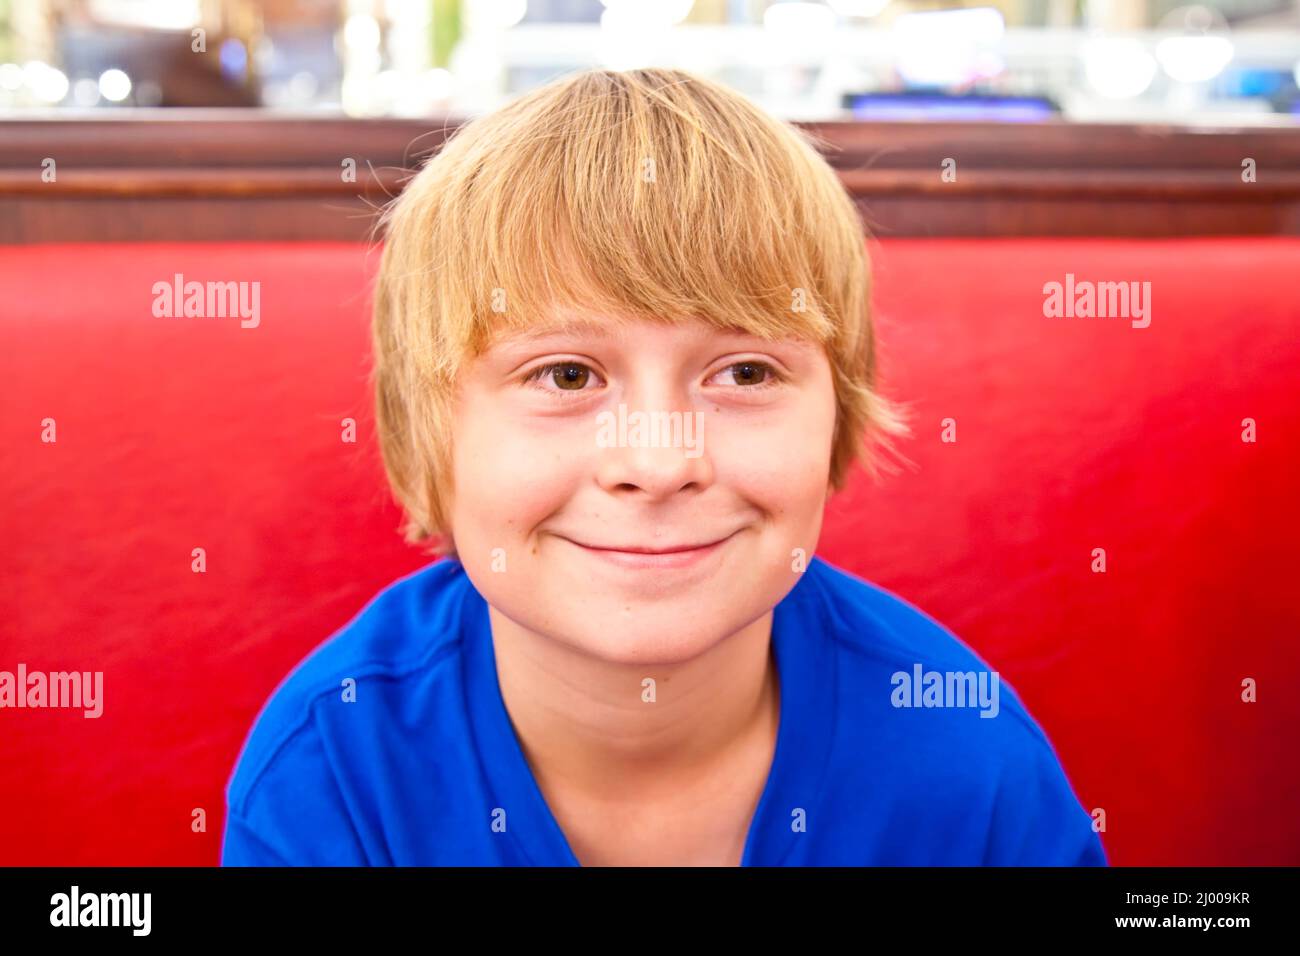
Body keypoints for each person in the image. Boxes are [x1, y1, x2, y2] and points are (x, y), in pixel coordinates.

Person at [221, 67, 1106, 866]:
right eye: (566, 376)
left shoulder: (965, 756)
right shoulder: (331, 775)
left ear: (836, 417)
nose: (658, 461)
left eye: (745, 373)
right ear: (430, 434)